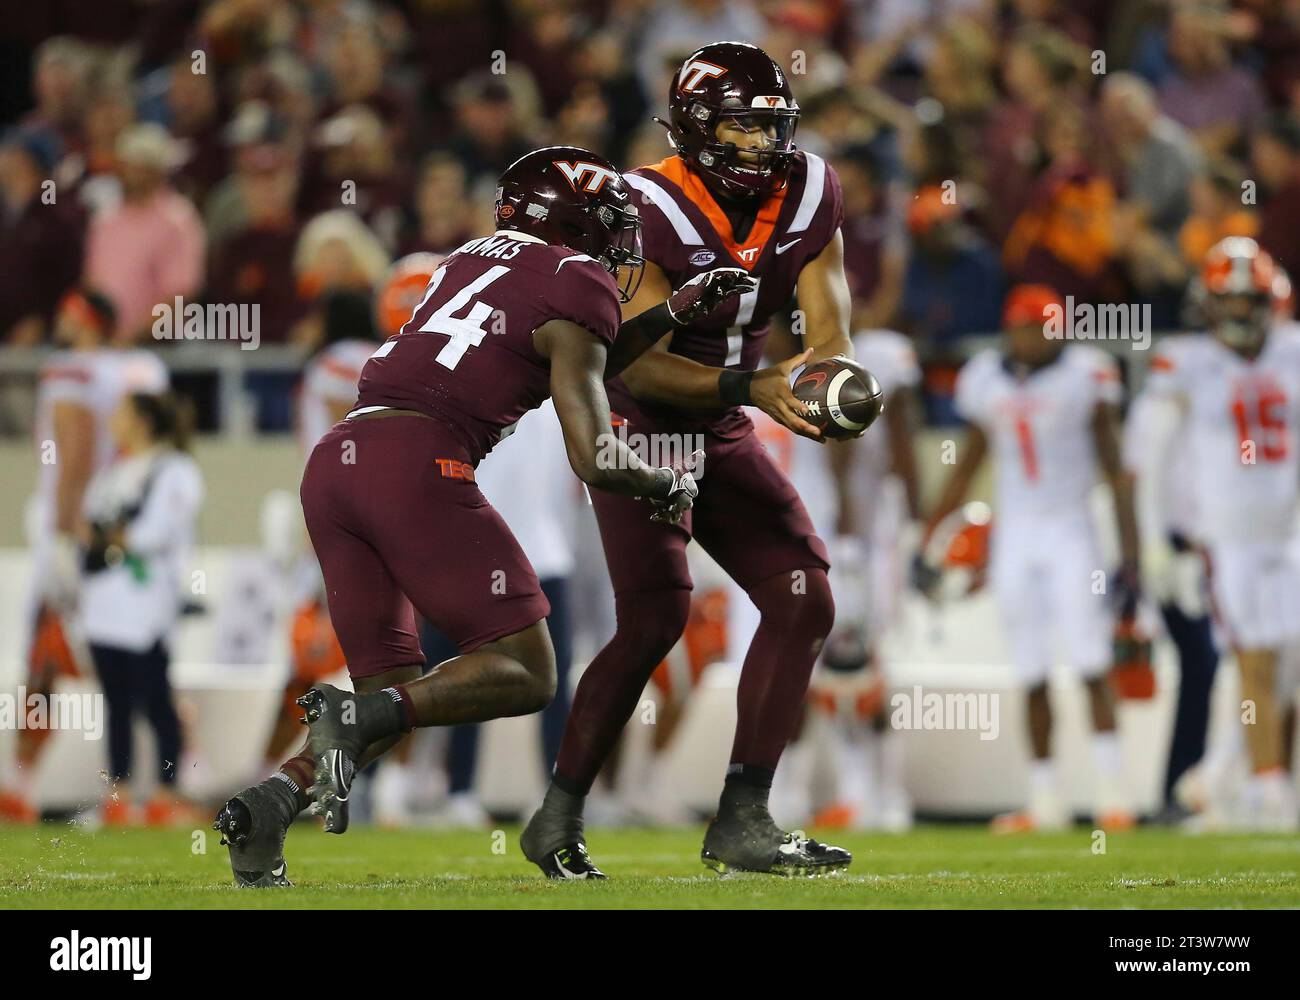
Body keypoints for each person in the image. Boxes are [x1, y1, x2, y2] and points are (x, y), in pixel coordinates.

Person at [214, 145, 721, 887]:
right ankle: (350, 731)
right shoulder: (579, 283)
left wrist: (671, 314)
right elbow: (593, 453)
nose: (621, 242)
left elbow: (570, 354)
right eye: (610, 223)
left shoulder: (466, 259)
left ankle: (271, 806)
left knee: (390, 693)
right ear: (576, 222)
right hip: (418, 461)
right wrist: (663, 482)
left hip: (340, 462)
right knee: (528, 671)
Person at [522, 42, 860, 879]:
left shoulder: (811, 189)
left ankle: (743, 817)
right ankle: (558, 815)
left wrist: (832, 381)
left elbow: (829, 324)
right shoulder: (642, 206)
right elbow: (636, 363)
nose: (763, 145)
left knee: (802, 595)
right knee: (655, 619)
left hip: (722, 422)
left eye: (774, 126)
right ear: (699, 129)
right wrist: (755, 383)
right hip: (638, 423)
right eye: (744, 127)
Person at [921, 284, 1140, 832]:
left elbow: (1116, 470)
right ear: (1011, 329)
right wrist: (928, 534)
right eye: (1029, 328)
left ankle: (1114, 794)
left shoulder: (1086, 375)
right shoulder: (985, 379)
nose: (1039, 339)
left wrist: (1130, 553)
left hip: (1072, 528)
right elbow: (969, 460)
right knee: (1031, 669)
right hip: (1016, 533)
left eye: (1048, 329)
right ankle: (1045, 799)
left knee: (1092, 662)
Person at [1137, 237, 1300, 829]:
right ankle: (1265, 787)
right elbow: (1152, 460)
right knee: (1256, 657)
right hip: (1227, 538)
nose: (1237, 314)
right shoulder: (1186, 363)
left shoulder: (1292, 352)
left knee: (1289, 664)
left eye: (1245, 302)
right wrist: (1160, 541)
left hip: (1289, 532)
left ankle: (1233, 776)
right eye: (1226, 303)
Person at [0, 290, 167, 823]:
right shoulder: (137, 370)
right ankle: (155, 788)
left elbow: (73, 451)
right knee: (136, 664)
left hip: (77, 530)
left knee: (46, 661)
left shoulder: (73, 371)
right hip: (123, 528)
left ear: (90, 320)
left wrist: (65, 530)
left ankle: (22, 783)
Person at [80, 391, 203, 826]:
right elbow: (87, 524)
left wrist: (112, 538)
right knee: (115, 701)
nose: (113, 419)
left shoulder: (175, 470)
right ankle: (120, 793)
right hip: (103, 604)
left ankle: (168, 794)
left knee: (154, 700)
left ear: (145, 421)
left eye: (122, 412)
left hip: (147, 604)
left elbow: (155, 532)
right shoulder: (112, 472)